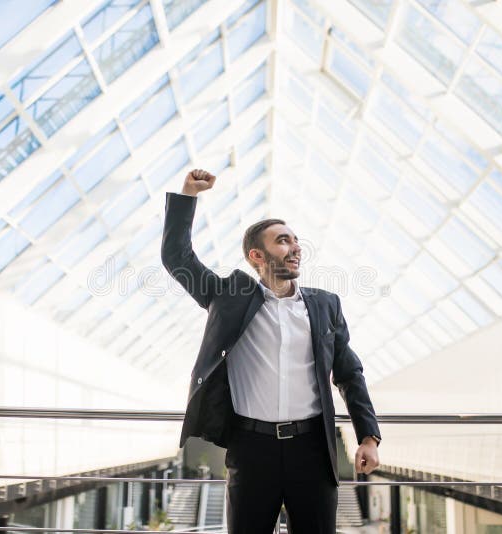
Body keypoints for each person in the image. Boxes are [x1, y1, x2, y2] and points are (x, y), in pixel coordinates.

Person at [161, 169, 382, 533]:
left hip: (312, 450)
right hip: (251, 450)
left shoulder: (325, 305)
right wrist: (188, 195)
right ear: (256, 255)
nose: (295, 247)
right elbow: (177, 257)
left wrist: (368, 437)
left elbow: (349, 373)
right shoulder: (229, 298)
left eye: (296, 241)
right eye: (283, 241)